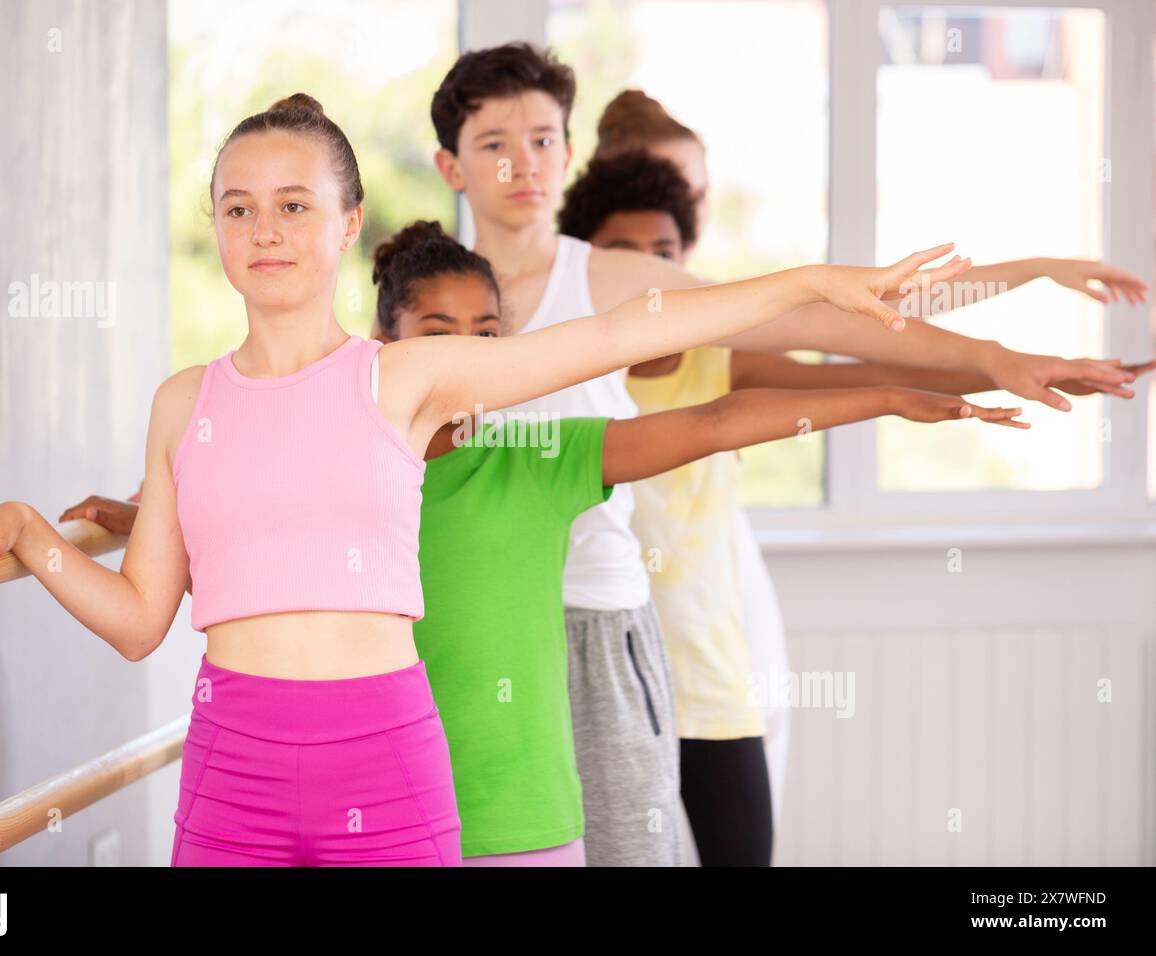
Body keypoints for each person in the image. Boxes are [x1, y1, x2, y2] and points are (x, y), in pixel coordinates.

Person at [0, 92, 961, 867]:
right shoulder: (182, 400)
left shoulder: (406, 377)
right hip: (230, 763)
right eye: (238, 208)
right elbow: (137, 618)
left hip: (380, 755)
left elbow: (617, 332)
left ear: (345, 224)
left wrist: (813, 281)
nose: (266, 230)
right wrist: (30, 531)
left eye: (294, 204)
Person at [67, 219, 1021, 867]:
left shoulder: (539, 454)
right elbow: (234, 522)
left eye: (490, 334)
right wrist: (127, 517)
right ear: (389, 341)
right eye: (443, 334)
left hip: (525, 816)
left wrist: (884, 397)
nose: (473, 358)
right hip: (382, 814)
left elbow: (718, 417)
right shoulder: (333, 453)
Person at [427, 40, 1137, 866]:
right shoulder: (425, 298)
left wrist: (993, 358)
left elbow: (813, 321)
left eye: (544, 140)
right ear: (450, 165)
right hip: (472, 622)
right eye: (496, 145)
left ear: (570, 152)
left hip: (598, 616)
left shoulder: (615, 282)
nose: (525, 164)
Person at [558, 146, 1153, 865]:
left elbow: (873, 340)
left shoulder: (724, 353)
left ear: (685, 262)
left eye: (665, 251)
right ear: (591, 263)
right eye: (626, 253)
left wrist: (1017, 328)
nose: (648, 268)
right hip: (598, 675)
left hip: (708, 677)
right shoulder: (565, 365)